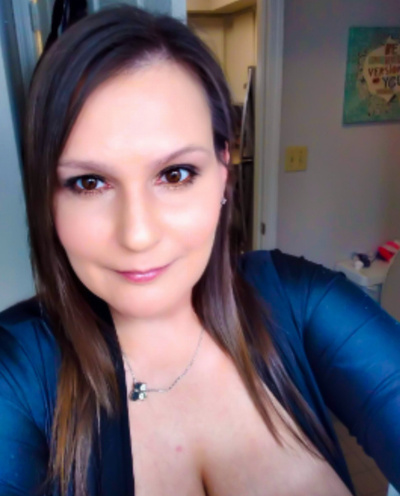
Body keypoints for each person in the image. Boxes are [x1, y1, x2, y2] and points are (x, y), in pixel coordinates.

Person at [0, 5, 399, 496]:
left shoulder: (302, 302)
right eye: (89, 182)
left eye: (175, 174)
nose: (138, 235)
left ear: (222, 173)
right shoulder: (16, 374)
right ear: (48, 198)